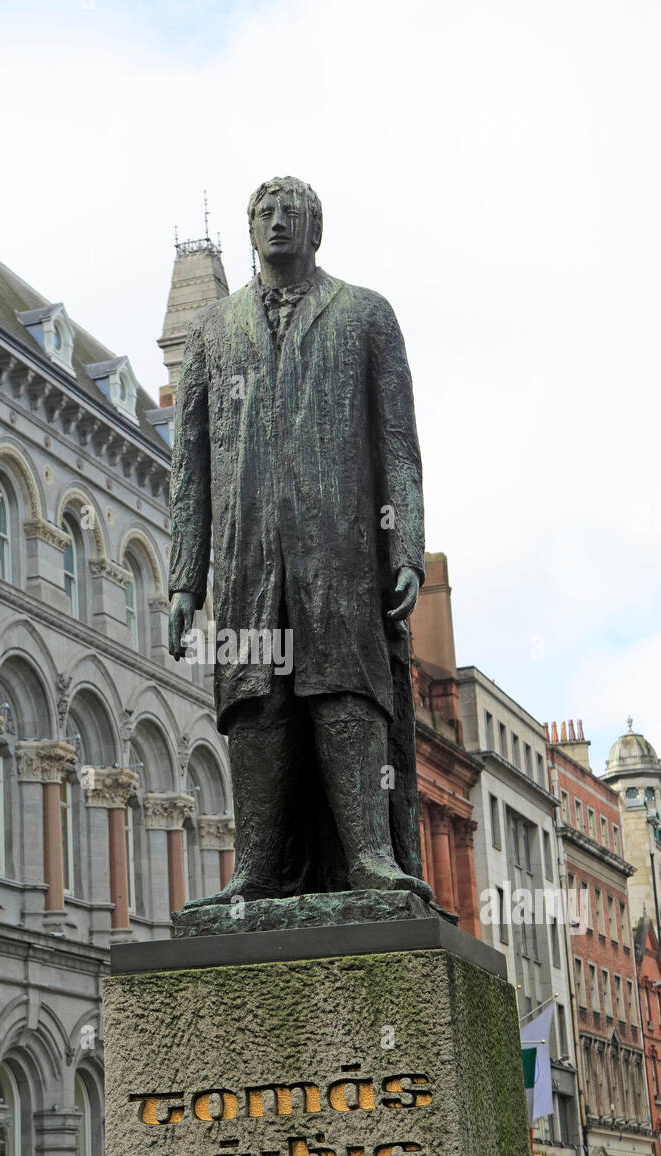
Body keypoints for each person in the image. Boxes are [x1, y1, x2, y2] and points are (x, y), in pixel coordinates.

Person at [169, 175, 431, 906]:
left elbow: (398, 444)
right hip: (248, 553)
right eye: (265, 211)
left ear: (316, 229)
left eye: (293, 211)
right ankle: (256, 869)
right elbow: (189, 461)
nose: (277, 220)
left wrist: (404, 546)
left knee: (345, 687)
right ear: (251, 228)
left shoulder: (365, 315)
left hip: (340, 549)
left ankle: (369, 858)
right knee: (256, 700)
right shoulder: (213, 330)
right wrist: (185, 579)